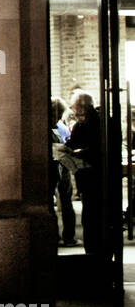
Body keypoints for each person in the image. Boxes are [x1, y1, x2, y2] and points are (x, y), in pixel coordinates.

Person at [68, 92, 102, 254]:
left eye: (74, 108)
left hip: (92, 175)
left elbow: (100, 148)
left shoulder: (89, 124)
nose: (73, 112)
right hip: (92, 177)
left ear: (82, 108)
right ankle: (97, 251)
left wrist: (81, 152)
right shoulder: (97, 122)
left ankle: (94, 252)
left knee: (91, 217)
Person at [51, 97, 76, 247]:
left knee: (64, 202)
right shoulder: (58, 126)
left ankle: (65, 236)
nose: (58, 118)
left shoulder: (55, 126)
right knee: (65, 202)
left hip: (60, 166)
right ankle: (66, 236)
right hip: (60, 166)